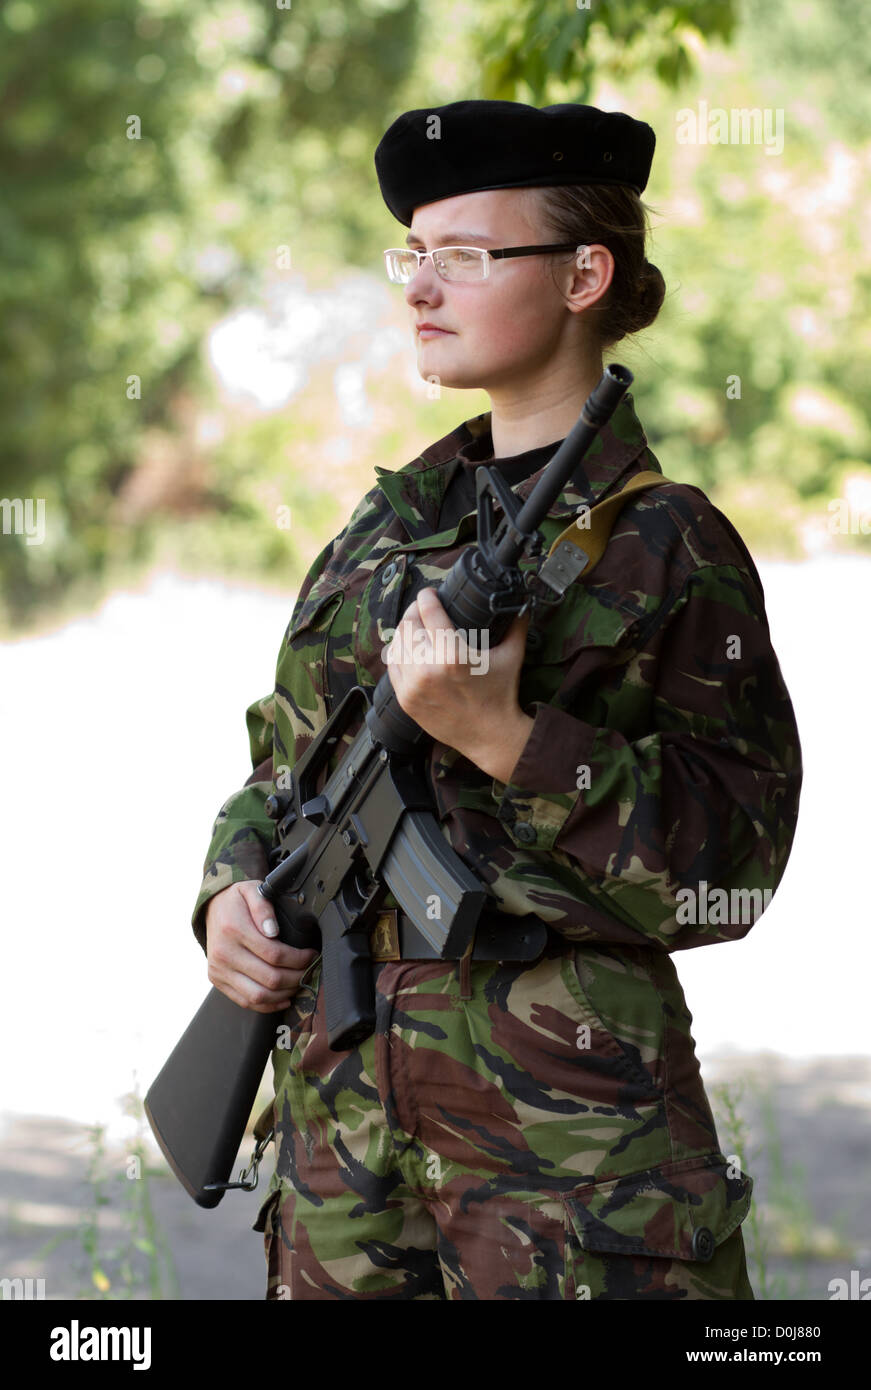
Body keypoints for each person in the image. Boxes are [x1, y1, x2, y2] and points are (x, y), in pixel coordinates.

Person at [192, 100, 802, 1300]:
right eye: (411, 254)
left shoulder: (665, 540)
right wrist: (228, 896)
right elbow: (279, 767)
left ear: (586, 273)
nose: (420, 285)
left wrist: (507, 739)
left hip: (570, 1160)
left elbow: (732, 861)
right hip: (345, 1150)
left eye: (464, 255)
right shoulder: (384, 528)